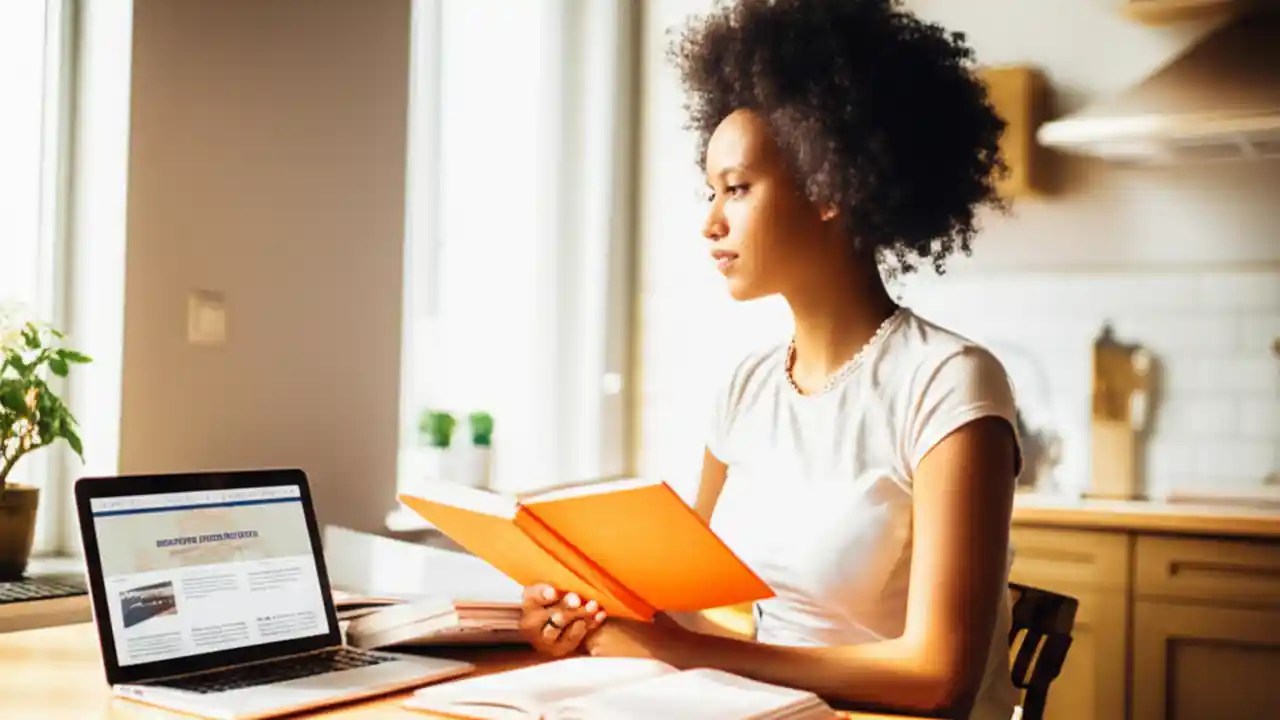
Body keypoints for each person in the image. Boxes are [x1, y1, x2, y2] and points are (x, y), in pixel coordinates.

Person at [517, 1, 1021, 718]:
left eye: (738, 188)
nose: (710, 221)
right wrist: (595, 617)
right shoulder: (746, 389)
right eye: (710, 190)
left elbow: (939, 676)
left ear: (827, 188)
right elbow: (693, 612)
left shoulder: (949, 382)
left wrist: (688, 652)